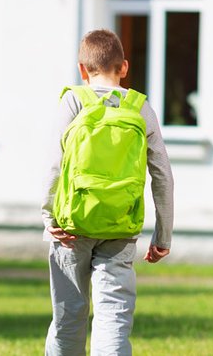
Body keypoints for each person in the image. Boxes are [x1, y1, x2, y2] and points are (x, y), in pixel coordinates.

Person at [41, 29, 175, 356]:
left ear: (82, 70)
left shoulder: (73, 100)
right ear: (124, 67)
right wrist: (163, 234)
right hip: (120, 225)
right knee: (113, 313)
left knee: (69, 314)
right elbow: (162, 174)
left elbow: (55, 162)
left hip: (71, 224)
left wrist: (48, 214)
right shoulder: (140, 107)